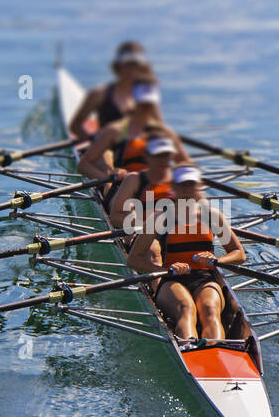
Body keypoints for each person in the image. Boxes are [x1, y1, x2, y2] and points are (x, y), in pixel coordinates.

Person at [127, 165, 246, 342]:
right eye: (182, 185)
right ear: (173, 188)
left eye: (191, 185)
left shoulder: (212, 216)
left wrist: (216, 260)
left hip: (205, 278)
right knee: (186, 307)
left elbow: (239, 254)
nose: (187, 190)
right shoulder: (161, 218)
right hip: (171, 279)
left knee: (209, 309)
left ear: (198, 187)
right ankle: (190, 349)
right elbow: (133, 260)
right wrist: (162, 270)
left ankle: (215, 353)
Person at [67, 41, 151, 139]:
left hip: (136, 148)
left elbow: (154, 126)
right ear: (118, 66)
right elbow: (75, 126)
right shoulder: (98, 94)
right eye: (127, 65)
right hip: (108, 149)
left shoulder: (145, 95)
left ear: (142, 68)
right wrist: (94, 141)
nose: (131, 70)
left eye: (135, 65)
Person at [108, 134, 176, 228]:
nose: (163, 160)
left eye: (166, 155)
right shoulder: (134, 180)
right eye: (158, 155)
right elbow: (115, 218)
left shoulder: (181, 180)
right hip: (145, 235)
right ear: (147, 156)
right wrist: (146, 228)